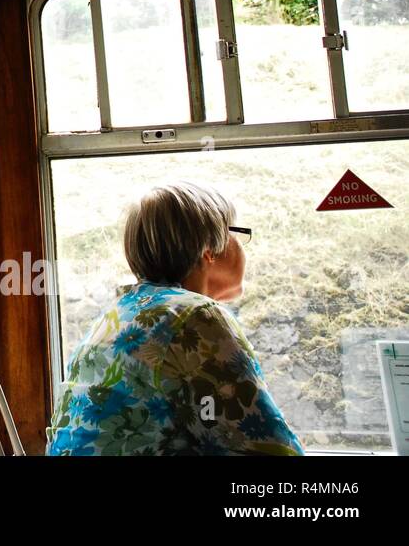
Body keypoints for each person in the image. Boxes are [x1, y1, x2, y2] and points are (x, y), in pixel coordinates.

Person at [47, 182, 303, 455]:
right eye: (237, 233)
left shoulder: (116, 314)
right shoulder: (197, 316)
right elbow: (270, 446)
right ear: (209, 249)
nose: (243, 247)